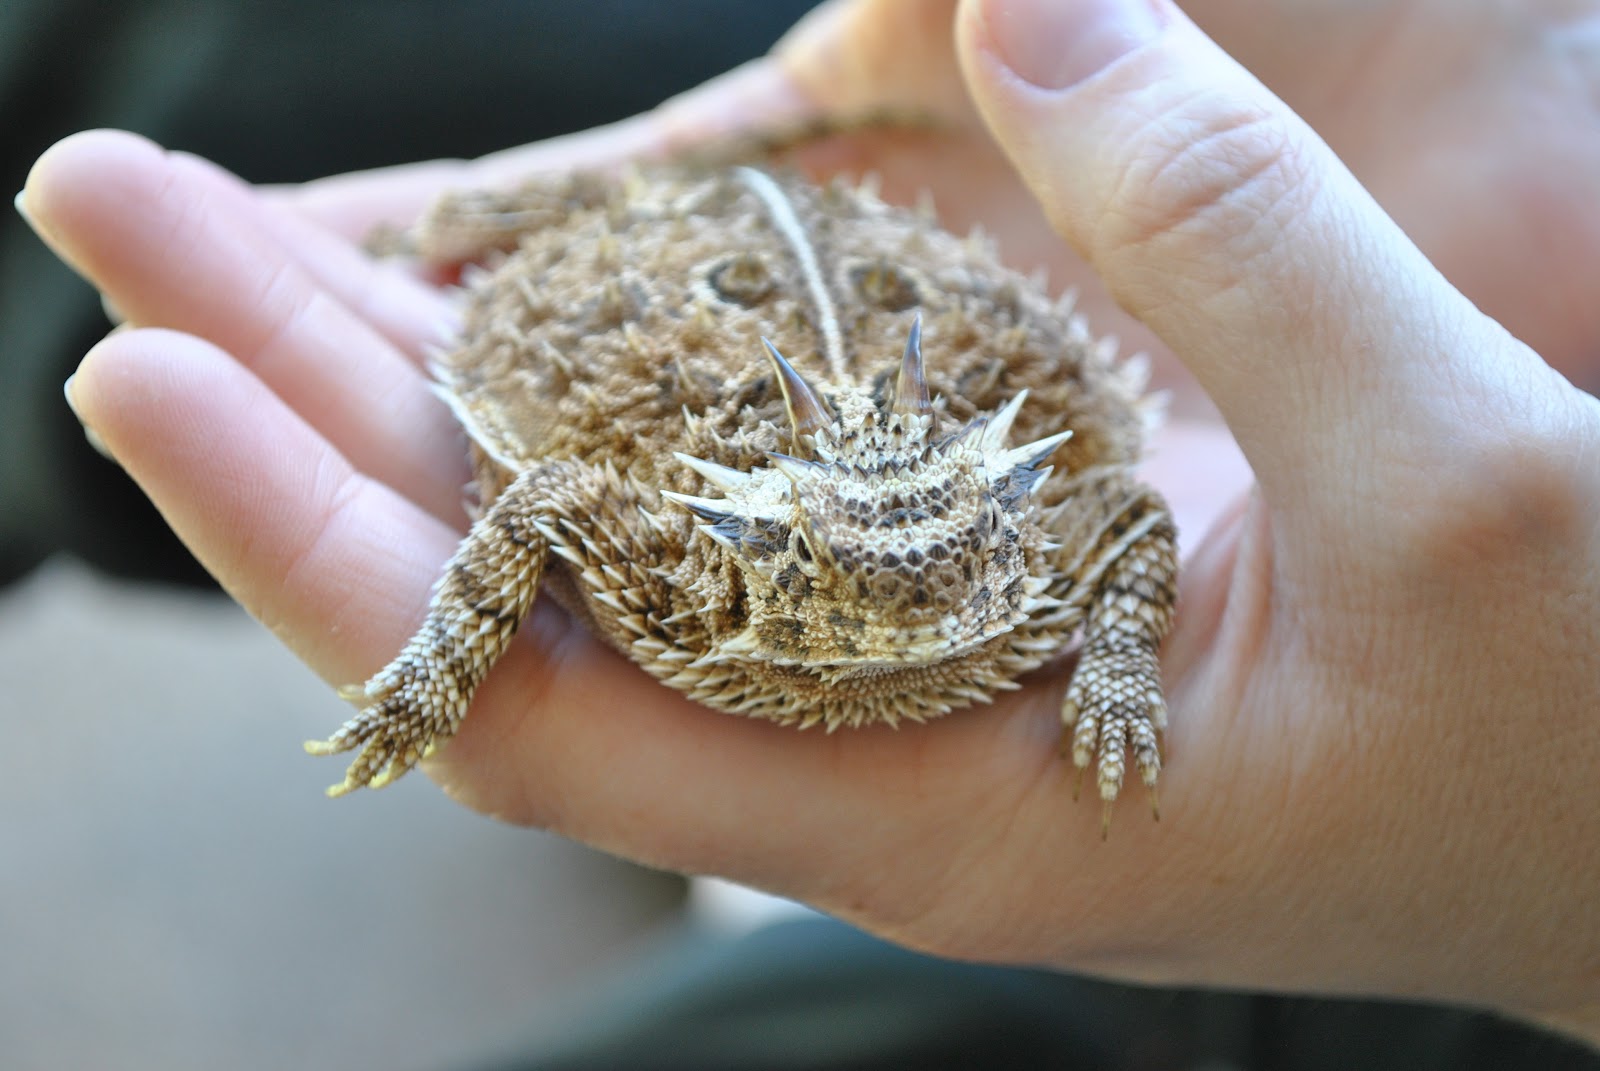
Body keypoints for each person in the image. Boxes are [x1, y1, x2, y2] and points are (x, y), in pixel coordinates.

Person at [19, 0, 1600, 1062]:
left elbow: (1124, 511)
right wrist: (445, 665)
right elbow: (564, 490)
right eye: (866, 574)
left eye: (936, 569)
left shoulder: (1002, 562)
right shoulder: (688, 564)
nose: (912, 604)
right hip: (695, 325)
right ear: (767, 556)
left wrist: (1118, 665)